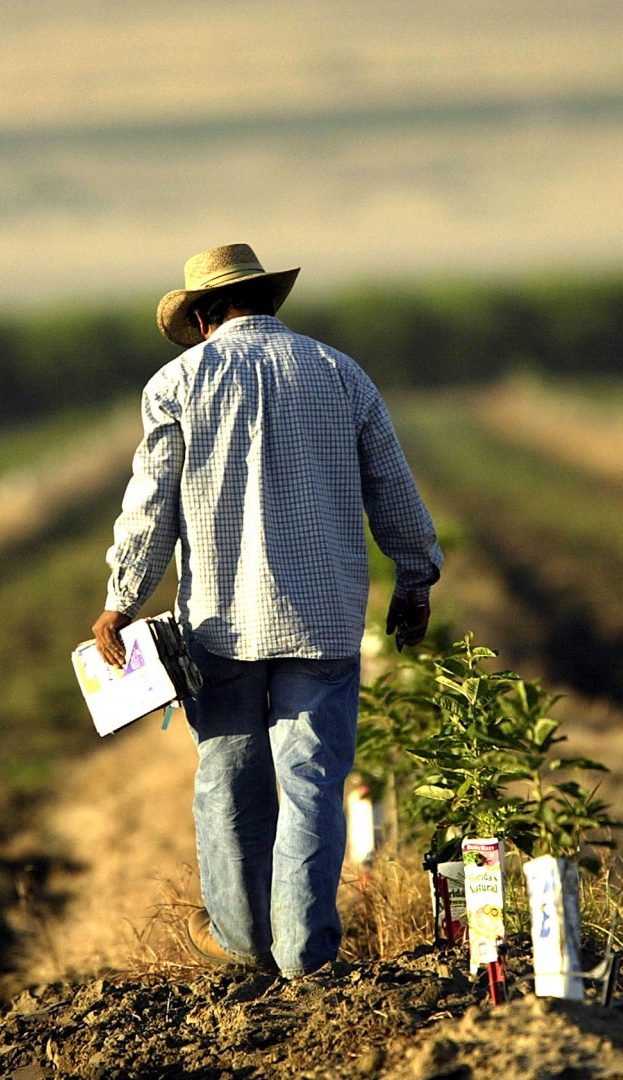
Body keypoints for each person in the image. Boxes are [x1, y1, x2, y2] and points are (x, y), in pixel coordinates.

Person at [93, 242, 443, 979]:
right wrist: (415, 579)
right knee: (313, 784)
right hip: (322, 621)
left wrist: (121, 600)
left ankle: (245, 944)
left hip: (218, 625)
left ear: (202, 315)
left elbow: (150, 506)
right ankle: (304, 956)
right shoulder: (338, 373)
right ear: (264, 302)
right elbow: (392, 487)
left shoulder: (176, 384)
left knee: (227, 782)